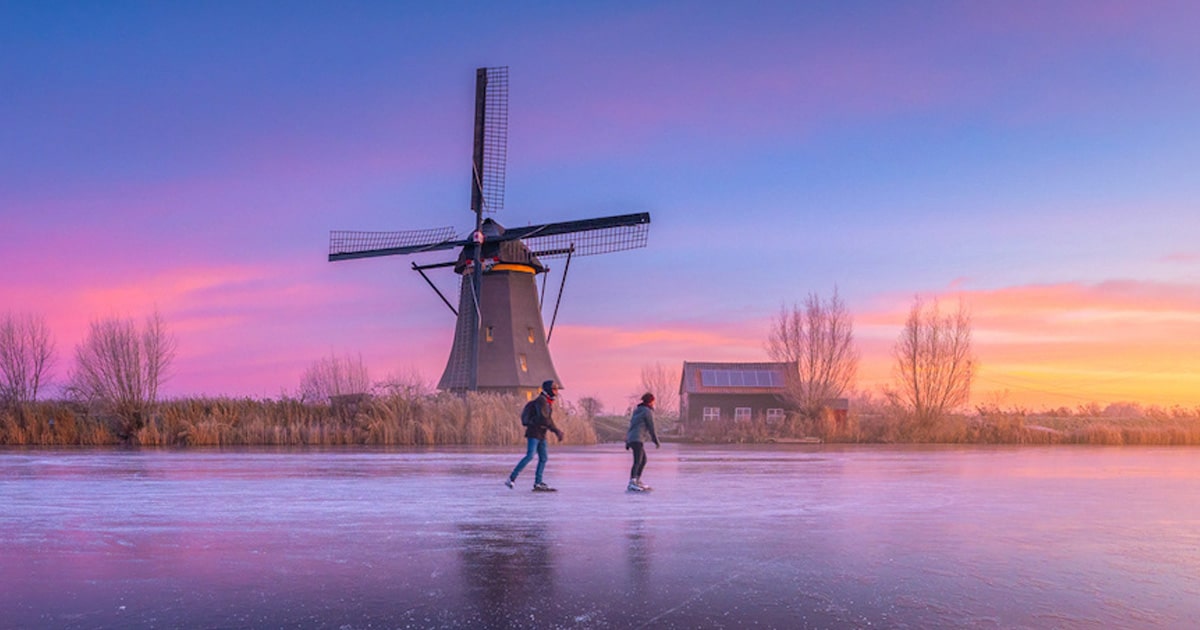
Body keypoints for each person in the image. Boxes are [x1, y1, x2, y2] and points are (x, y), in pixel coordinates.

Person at [506, 380, 564, 492]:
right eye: (554, 389)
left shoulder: (547, 402)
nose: (556, 391)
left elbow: (548, 419)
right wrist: (556, 431)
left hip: (541, 433)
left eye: (556, 389)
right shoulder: (541, 401)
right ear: (548, 389)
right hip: (534, 432)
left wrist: (556, 431)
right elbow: (544, 418)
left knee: (543, 458)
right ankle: (511, 478)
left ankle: (538, 483)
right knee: (530, 455)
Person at [625, 393, 660, 491]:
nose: (654, 403)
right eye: (653, 401)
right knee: (638, 461)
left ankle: (637, 480)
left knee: (643, 460)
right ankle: (632, 482)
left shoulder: (637, 410)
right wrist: (656, 441)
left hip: (633, 438)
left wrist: (628, 440)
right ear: (650, 401)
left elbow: (632, 425)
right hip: (637, 439)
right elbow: (651, 427)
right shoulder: (647, 411)